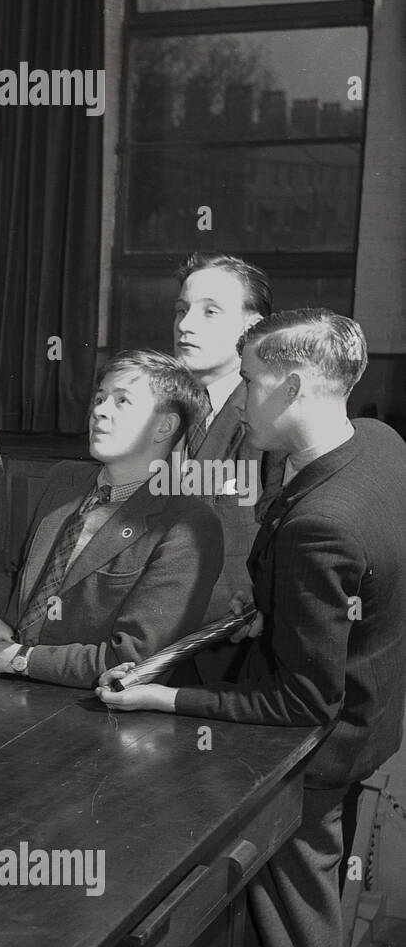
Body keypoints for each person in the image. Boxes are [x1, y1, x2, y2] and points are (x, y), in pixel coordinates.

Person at [99, 311, 406, 947]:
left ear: (297, 385)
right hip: (371, 714)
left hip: (323, 747)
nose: (242, 396)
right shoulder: (377, 442)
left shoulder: (322, 523)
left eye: (256, 380)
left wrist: (162, 700)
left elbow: (300, 703)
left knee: (299, 918)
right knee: (294, 912)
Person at [0, 351, 222, 687]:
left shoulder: (188, 522)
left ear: (164, 426)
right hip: (6, 683)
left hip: (91, 710)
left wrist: (17, 658)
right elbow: (15, 568)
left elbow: (134, 660)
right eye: (99, 397)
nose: (99, 411)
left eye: (122, 401)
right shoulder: (63, 479)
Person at [172, 251, 276, 678]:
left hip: (235, 644)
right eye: (181, 310)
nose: (184, 325)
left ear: (250, 328)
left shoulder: (270, 419)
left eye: (209, 312)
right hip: (158, 629)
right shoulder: (157, 405)